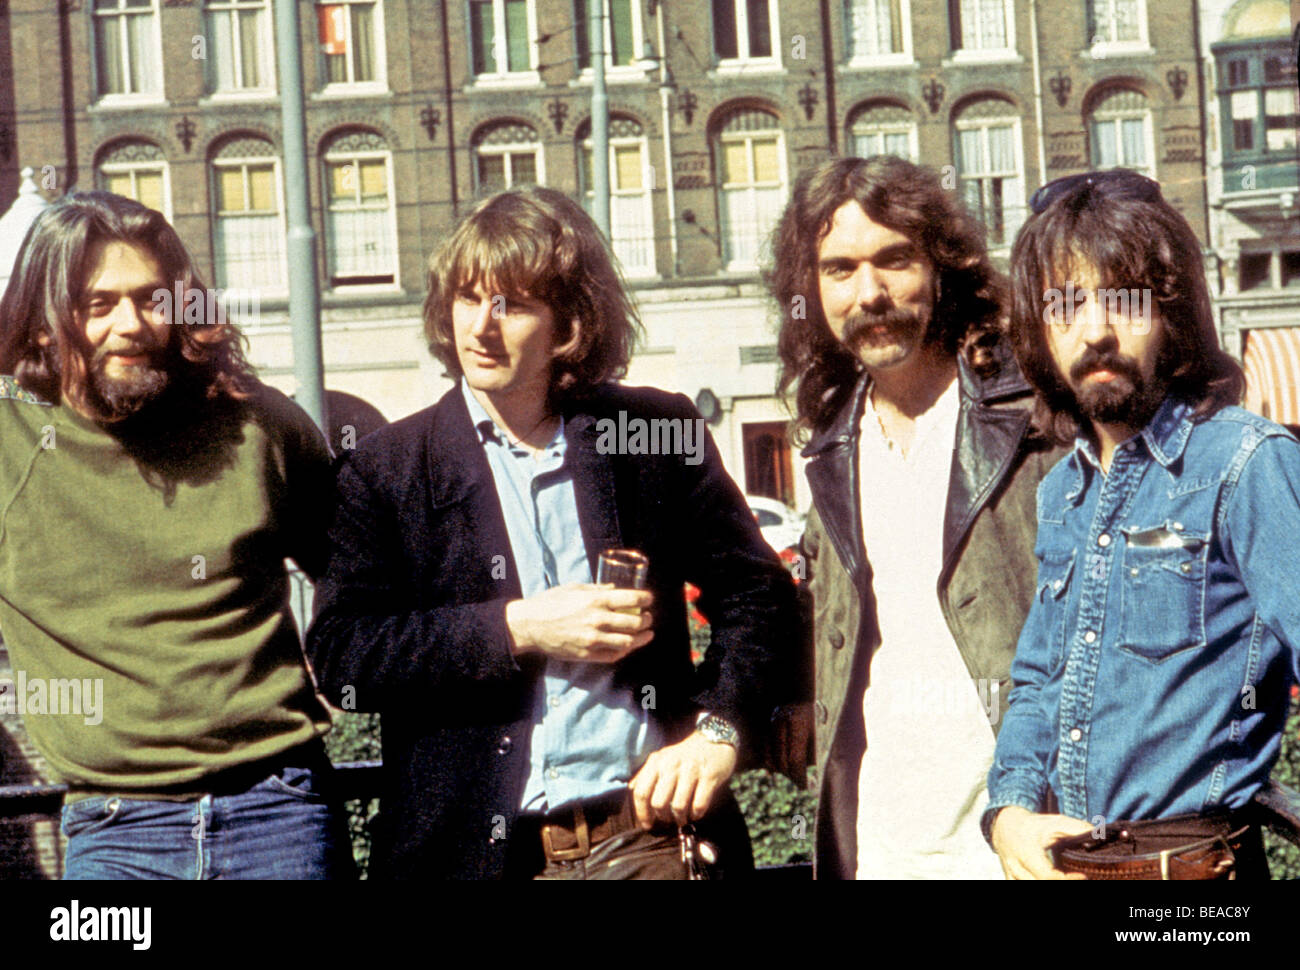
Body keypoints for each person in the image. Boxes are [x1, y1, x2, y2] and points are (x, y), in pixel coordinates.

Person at [305, 186, 798, 880]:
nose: (481, 326)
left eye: (513, 305)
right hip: (469, 861)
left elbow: (759, 597)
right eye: (468, 298)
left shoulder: (652, 435)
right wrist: (517, 628)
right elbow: (343, 653)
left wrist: (719, 732)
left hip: (649, 842)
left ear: (570, 320)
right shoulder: (387, 469)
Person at [0, 191, 351, 879]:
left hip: (280, 812)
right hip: (111, 832)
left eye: (151, 299)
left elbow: (362, 584)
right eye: (98, 304)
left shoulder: (258, 426)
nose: (131, 324)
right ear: (41, 324)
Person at [986, 169, 1296, 880]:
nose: (1095, 330)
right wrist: (1008, 814)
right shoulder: (1063, 488)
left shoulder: (1243, 463)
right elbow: (1038, 680)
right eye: (1065, 304)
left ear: (1172, 315)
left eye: (1125, 302)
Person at [766, 155, 1061, 879]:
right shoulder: (833, 443)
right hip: (879, 848)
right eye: (839, 269)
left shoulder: (1031, 418)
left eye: (894, 260)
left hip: (1016, 844)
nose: (870, 293)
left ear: (942, 267)